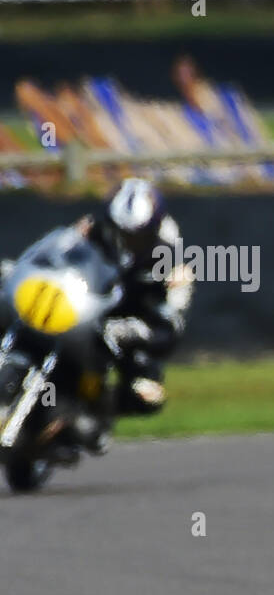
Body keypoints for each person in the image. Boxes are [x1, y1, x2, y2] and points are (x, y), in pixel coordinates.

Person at [73, 180, 192, 450]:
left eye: (136, 237)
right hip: (86, 301)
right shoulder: (94, 226)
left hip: (136, 316)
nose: (128, 242)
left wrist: (134, 330)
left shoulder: (171, 255)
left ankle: (98, 412)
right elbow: (62, 249)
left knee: (147, 395)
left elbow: (171, 325)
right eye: (123, 234)